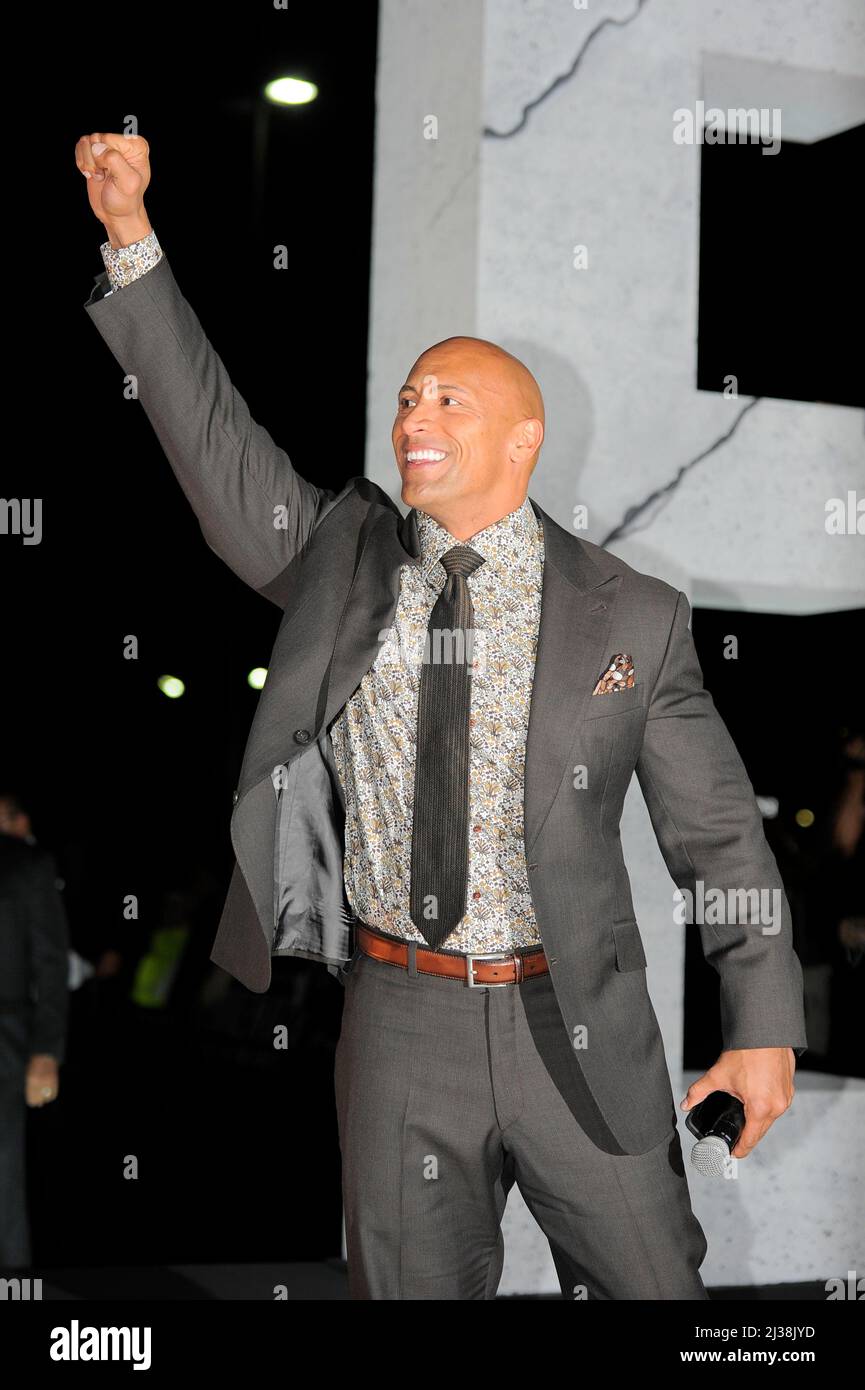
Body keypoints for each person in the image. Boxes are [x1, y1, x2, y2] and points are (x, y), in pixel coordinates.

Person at [76, 131, 807, 1299]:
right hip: (399, 1020)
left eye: (449, 397)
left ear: (523, 439)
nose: (415, 411)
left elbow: (719, 833)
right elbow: (214, 446)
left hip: (576, 1026)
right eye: (409, 393)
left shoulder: (636, 615)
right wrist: (131, 239)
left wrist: (762, 1018)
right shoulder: (336, 555)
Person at [0, 793, 69, 1267]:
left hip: (6, 1031)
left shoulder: (25, 864)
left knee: (6, 1170)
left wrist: (45, 1049)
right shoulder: (28, 861)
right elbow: (49, 961)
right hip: (9, 1032)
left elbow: (49, 962)